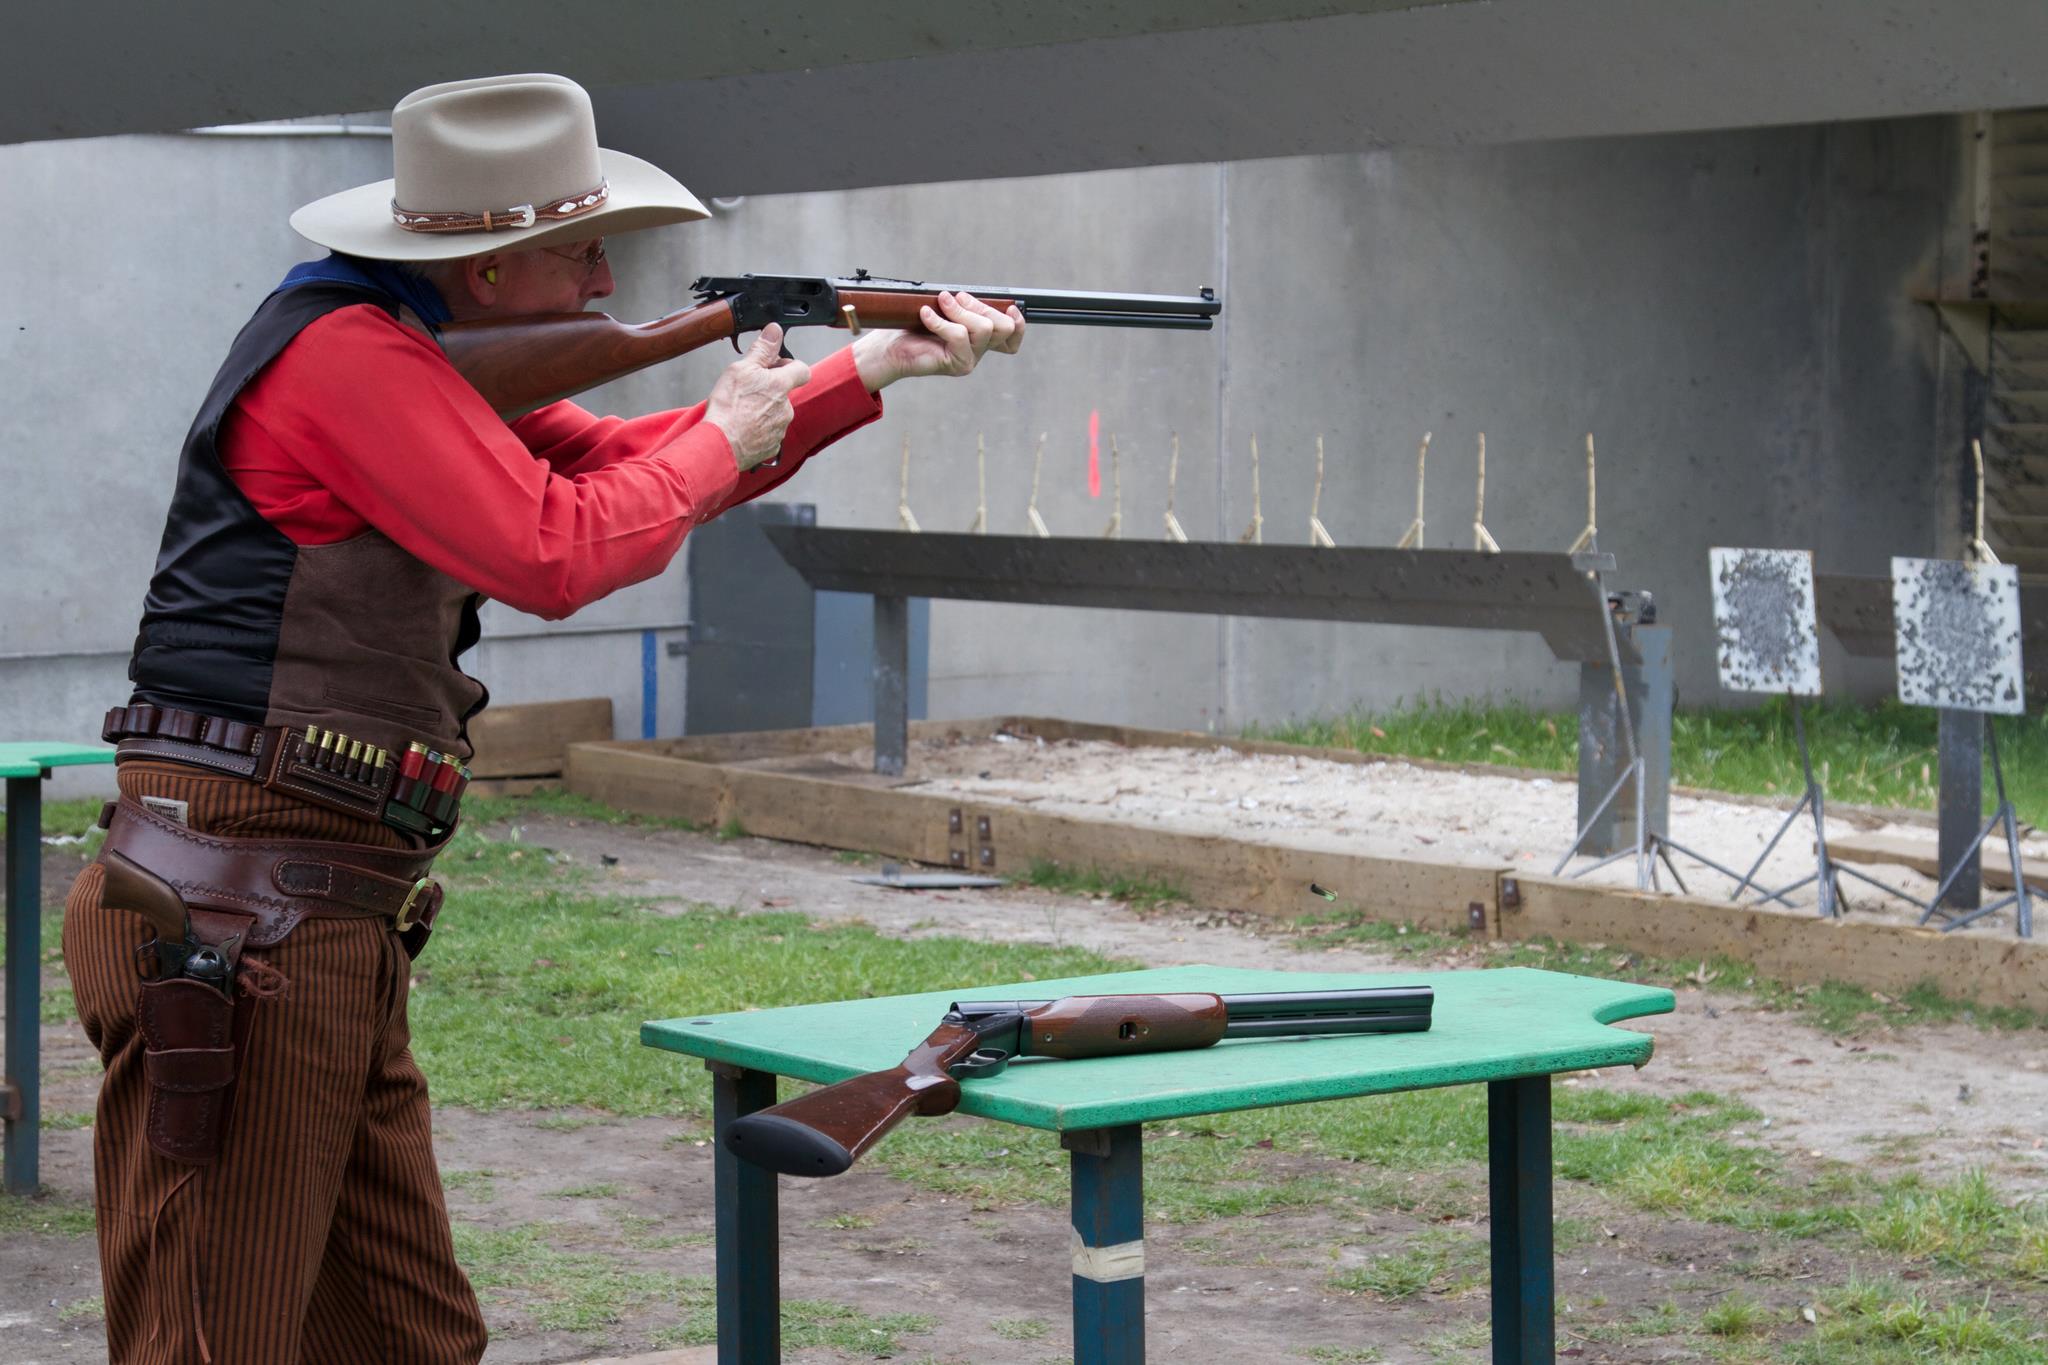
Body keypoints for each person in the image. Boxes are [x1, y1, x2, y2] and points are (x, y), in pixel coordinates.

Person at [61, 72, 1023, 1363]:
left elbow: (635, 475)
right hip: (244, 912)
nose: (600, 282)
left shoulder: (404, 351)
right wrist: (738, 421)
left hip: (316, 909)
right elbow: (554, 551)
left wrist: (863, 367)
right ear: (490, 264)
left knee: (411, 1335)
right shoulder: (345, 356)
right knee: (213, 1335)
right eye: (578, 250)